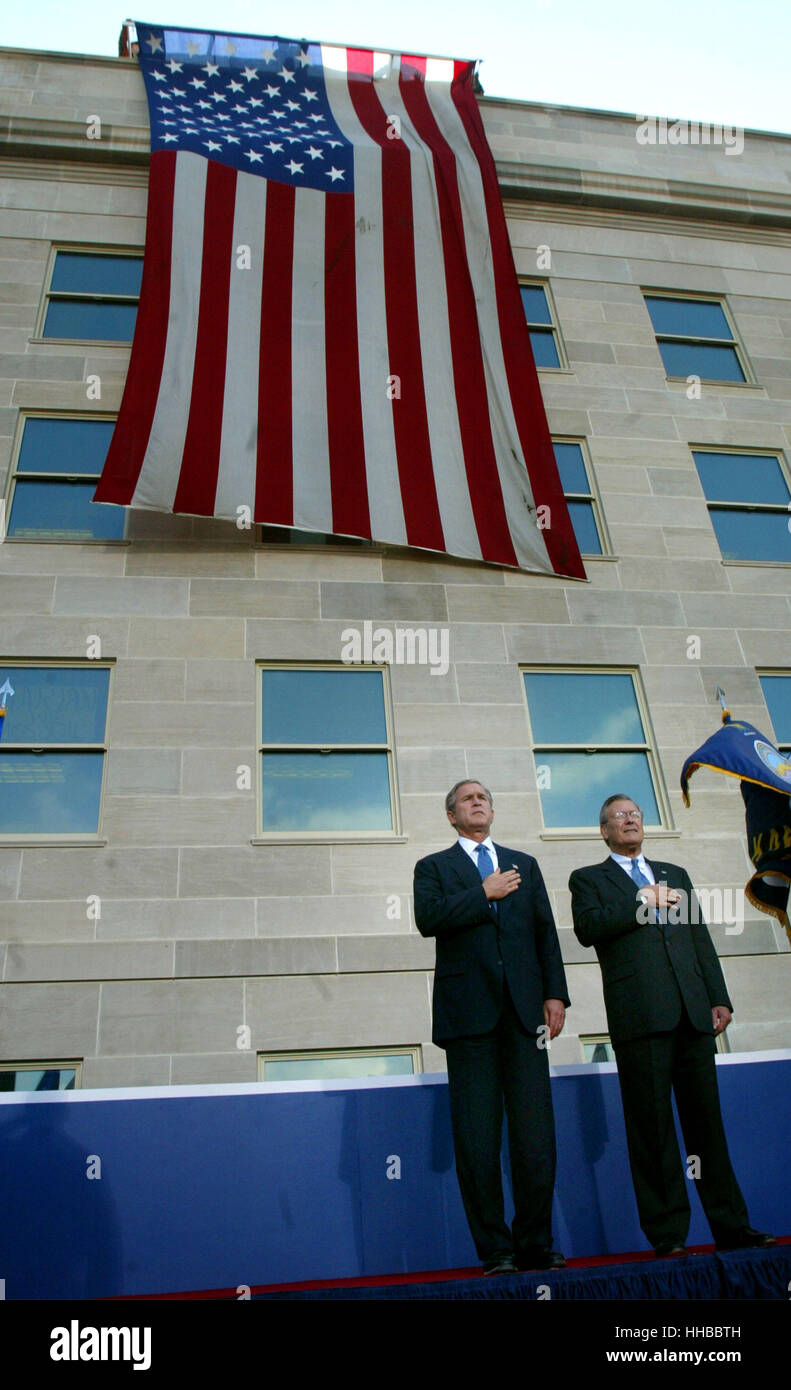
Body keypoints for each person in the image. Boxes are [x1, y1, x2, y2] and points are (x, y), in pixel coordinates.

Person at [569, 793, 775, 1258]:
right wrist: (640, 899)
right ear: (604, 830)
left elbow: (697, 935)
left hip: (692, 1014)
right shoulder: (588, 880)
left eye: (636, 814)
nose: (630, 820)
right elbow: (588, 928)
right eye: (620, 816)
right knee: (652, 1130)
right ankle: (667, 1234)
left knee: (708, 1128)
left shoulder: (675, 874)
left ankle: (732, 1227)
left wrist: (717, 997)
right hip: (640, 1019)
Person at [413, 779, 569, 1275]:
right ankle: (496, 1250)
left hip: (525, 1017)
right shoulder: (433, 867)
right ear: (451, 816)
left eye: (483, 797)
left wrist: (554, 994)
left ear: (492, 811)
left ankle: (536, 1244)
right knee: (477, 1139)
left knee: (535, 1136)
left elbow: (546, 932)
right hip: (469, 1020)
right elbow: (428, 918)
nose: (477, 801)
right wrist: (482, 892)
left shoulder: (526, 864)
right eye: (466, 798)